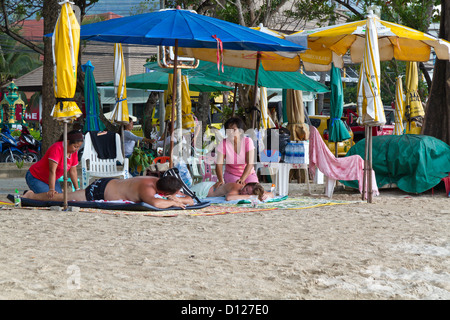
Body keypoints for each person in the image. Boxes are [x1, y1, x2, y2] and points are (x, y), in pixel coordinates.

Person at [23, 175, 194, 209]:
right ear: (164, 192)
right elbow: (156, 203)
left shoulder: (159, 182)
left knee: (66, 196)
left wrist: (177, 198)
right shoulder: (147, 188)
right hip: (100, 191)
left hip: (109, 182)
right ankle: (31, 195)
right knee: (62, 198)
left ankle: (31, 195)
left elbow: (191, 200)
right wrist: (173, 202)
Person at [25, 130, 83, 198]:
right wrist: (51, 189)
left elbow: (73, 171)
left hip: (51, 179)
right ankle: (29, 195)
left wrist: (77, 189)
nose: (77, 149)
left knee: (60, 197)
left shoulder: (73, 152)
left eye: (78, 147)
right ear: (67, 142)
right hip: (36, 177)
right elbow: (52, 171)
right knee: (51, 197)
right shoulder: (57, 148)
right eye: (75, 146)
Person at [213, 117, 258, 190]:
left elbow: (250, 163)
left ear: (240, 131)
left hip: (249, 174)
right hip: (232, 174)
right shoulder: (223, 143)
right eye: (228, 130)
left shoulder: (248, 141)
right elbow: (219, 164)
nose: (230, 132)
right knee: (238, 189)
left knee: (254, 190)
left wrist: (242, 179)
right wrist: (220, 180)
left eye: (234, 130)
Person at [191, 181, 273, 202]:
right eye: (246, 189)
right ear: (245, 185)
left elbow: (271, 194)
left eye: (248, 193)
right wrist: (250, 196)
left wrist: (266, 195)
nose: (244, 193)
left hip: (209, 189)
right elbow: (229, 198)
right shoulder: (236, 187)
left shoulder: (252, 190)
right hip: (203, 190)